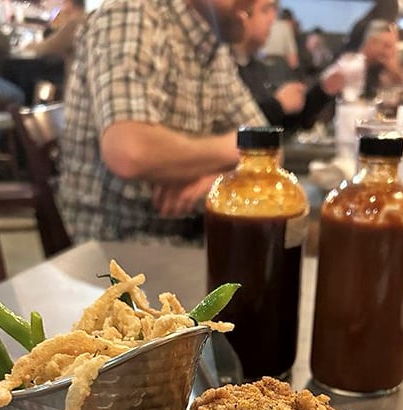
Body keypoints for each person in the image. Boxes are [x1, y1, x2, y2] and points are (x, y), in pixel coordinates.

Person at [60, 0, 266, 243]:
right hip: (119, 248)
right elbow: (129, 153)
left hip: (192, 239)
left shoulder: (212, 45)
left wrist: (217, 181)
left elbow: (271, 150)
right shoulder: (132, 14)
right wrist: (237, 148)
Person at [232, 0, 343, 135]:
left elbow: (285, 124)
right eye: (265, 10)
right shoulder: (225, 68)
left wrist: (322, 91)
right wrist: (278, 105)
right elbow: (238, 129)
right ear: (242, 13)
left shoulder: (256, 67)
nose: (272, 19)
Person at [25, 0, 86, 91]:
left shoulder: (75, 22)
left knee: (31, 75)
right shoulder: (84, 18)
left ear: (70, 3)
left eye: (64, 3)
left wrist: (27, 46)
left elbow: (49, 46)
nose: (62, 6)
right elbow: (52, 29)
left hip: (75, 80)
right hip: (81, 75)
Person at [360, 19, 403, 99]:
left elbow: (401, 92)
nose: (389, 52)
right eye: (386, 46)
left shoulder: (381, 65)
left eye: (393, 46)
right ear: (370, 43)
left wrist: (393, 70)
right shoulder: (351, 65)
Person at [259, 6, 299, 71]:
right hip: (278, 67)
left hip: (259, 65)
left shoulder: (259, 24)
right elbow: (293, 59)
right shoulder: (285, 27)